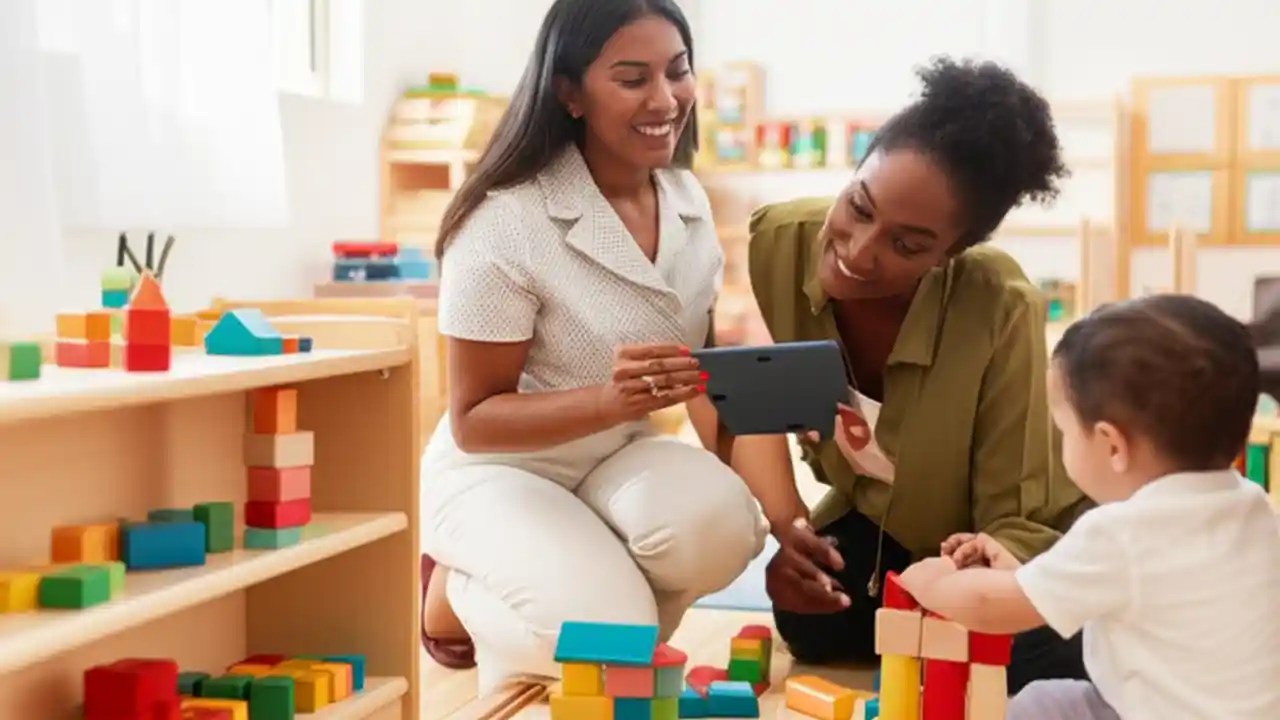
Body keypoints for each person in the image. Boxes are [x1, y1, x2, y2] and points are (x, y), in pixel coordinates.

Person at [418, 0, 768, 693]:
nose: (665, 99)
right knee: (612, 646)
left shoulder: (686, 201)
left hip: (613, 459)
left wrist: (787, 522)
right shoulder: (505, 221)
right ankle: (453, 594)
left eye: (677, 72)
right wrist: (611, 400)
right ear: (569, 93)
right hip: (498, 470)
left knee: (727, 527)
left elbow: (702, 377)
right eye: (633, 79)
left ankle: (581, 587)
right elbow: (475, 420)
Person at [741, 56, 1092, 693]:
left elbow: (1017, 515)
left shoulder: (999, 303)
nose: (858, 251)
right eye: (859, 206)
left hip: (1002, 537)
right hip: (891, 526)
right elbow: (762, 396)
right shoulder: (779, 242)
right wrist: (792, 530)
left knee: (1018, 660)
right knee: (811, 618)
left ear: (952, 252)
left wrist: (968, 587)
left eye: (907, 245)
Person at [899, 294, 1280, 719]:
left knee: (1041, 705)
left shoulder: (1121, 533)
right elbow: (1135, 593)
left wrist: (931, 584)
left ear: (1112, 445)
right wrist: (1024, 576)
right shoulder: (1256, 509)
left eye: (1064, 431)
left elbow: (990, 606)